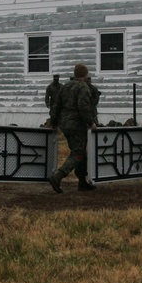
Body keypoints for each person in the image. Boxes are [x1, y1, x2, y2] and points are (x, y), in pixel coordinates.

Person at [47, 63, 97, 193]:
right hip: (77, 125)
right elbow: (83, 107)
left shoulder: (65, 87)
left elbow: (56, 105)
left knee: (80, 152)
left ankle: (82, 182)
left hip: (65, 124)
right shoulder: (83, 88)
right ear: (85, 75)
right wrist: (91, 122)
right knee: (78, 153)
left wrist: (53, 121)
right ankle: (58, 176)